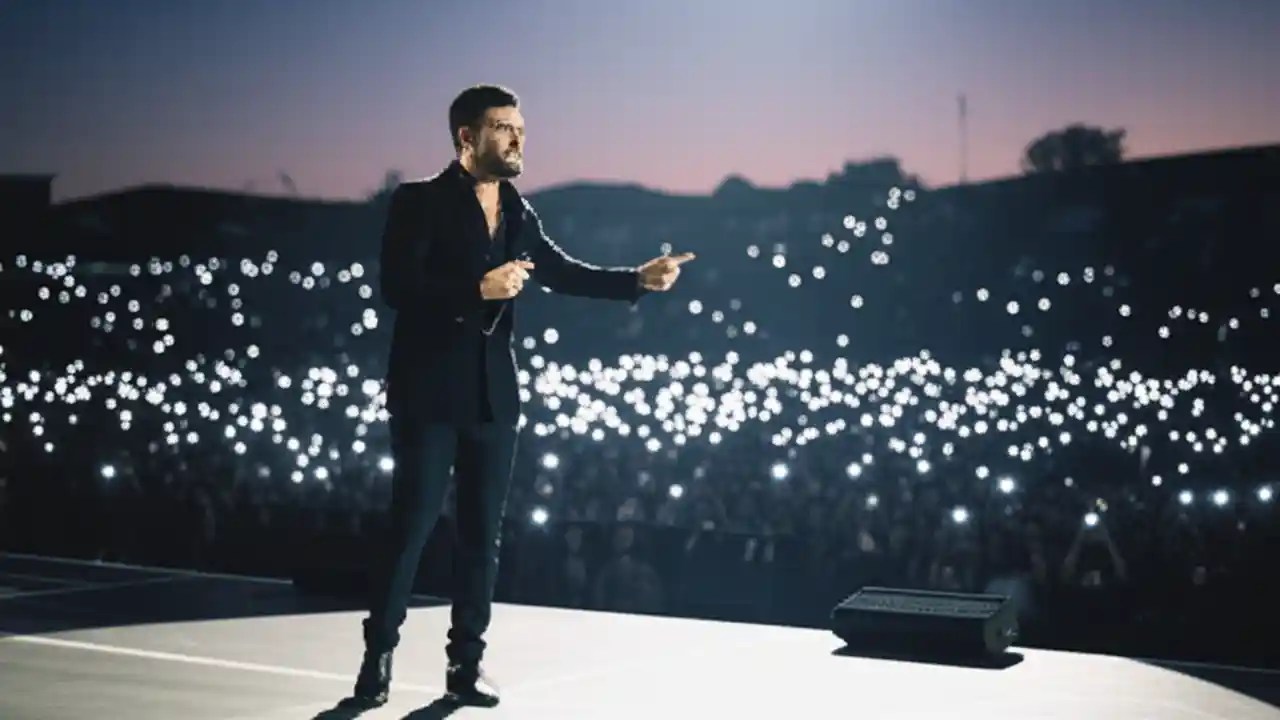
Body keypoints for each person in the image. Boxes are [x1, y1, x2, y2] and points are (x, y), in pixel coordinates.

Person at [343, 84, 694, 709]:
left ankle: (465, 665)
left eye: (521, 128)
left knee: (483, 537)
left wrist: (635, 281)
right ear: (467, 138)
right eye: (503, 126)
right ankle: (378, 658)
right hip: (427, 395)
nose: (517, 138)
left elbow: (559, 271)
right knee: (412, 529)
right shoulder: (418, 202)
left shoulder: (517, 210)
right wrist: (478, 287)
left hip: (492, 399)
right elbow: (398, 286)